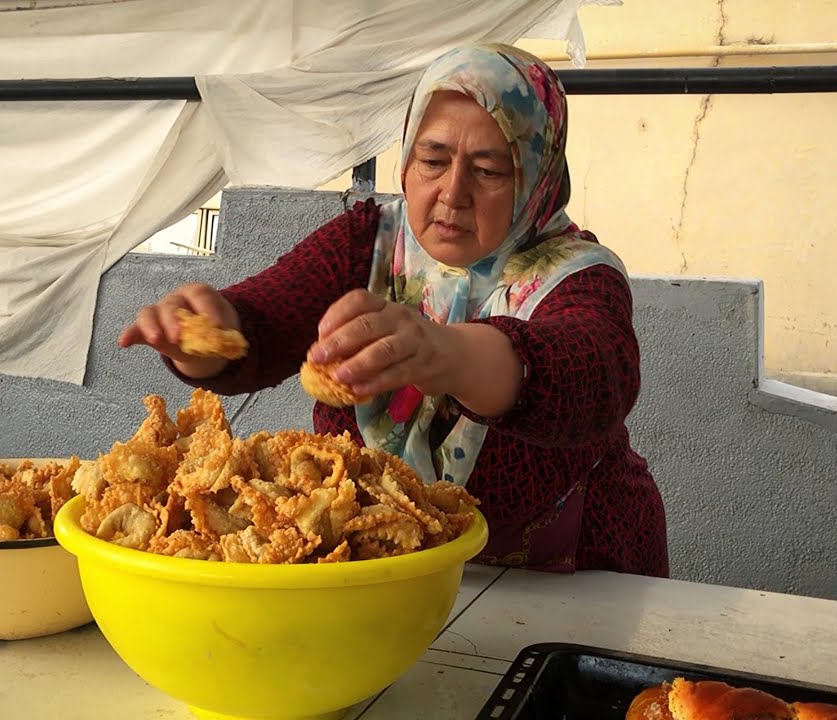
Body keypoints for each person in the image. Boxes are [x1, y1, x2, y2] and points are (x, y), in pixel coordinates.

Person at [119, 43, 668, 577]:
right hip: (395, 577)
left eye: (489, 170)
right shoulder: (369, 245)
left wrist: (444, 354)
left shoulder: (577, 275)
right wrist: (207, 333)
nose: (452, 193)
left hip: (569, 579)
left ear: (537, 176)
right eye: (433, 160)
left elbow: (596, 376)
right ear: (406, 158)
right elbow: (261, 326)